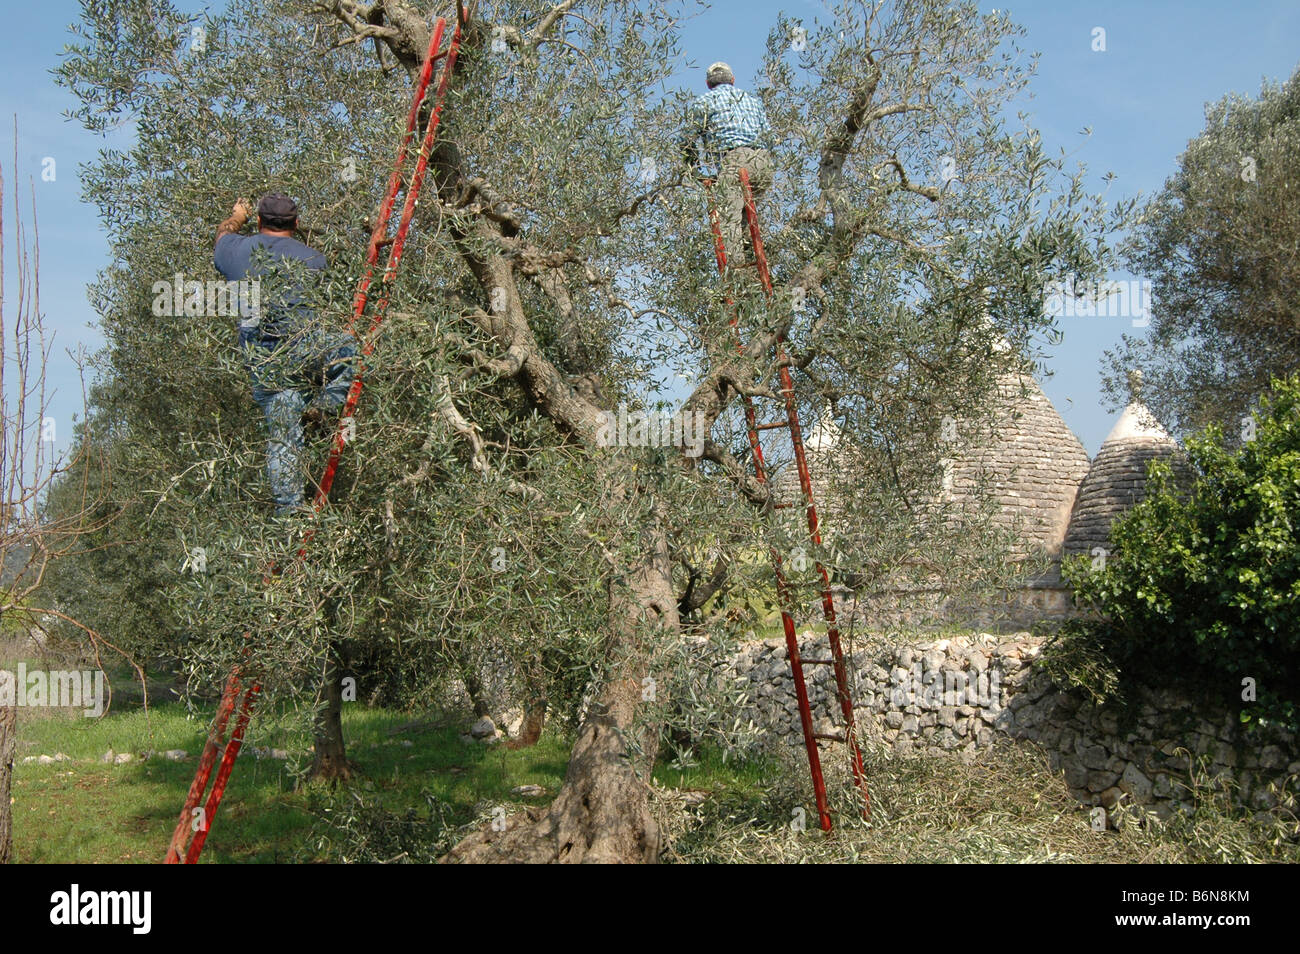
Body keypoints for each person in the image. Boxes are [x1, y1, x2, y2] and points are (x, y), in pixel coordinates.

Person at [214, 193, 357, 517]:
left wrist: (238, 216)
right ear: (295, 223)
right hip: (306, 353)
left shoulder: (236, 250)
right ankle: (326, 406)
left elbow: (222, 234)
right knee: (350, 348)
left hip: (265, 363)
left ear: (260, 221)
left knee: (282, 434)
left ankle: (289, 514)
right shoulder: (314, 260)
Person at [679, 61, 774, 259]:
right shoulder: (752, 100)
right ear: (732, 80)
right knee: (748, 219)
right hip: (763, 163)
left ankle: (737, 279)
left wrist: (695, 171)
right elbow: (770, 138)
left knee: (728, 222)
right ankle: (753, 271)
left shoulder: (704, 102)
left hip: (734, 160)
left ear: (708, 84)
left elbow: (685, 141)